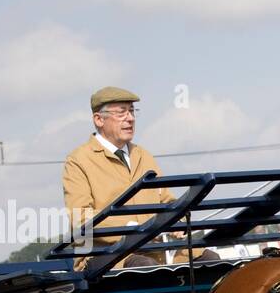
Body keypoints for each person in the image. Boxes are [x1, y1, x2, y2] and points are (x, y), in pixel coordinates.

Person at [62, 86, 192, 272]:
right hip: (104, 257)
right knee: (145, 267)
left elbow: (166, 200)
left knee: (208, 258)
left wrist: (176, 222)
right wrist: (134, 228)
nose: (130, 118)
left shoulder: (144, 155)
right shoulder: (78, 161)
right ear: (99, 119)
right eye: (122, 113)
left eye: (132, 111)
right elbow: (81, 218)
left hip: (154, 253)